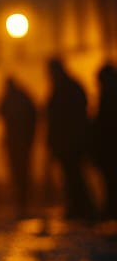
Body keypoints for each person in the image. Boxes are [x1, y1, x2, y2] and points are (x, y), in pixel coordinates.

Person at [47, 59, 95, 219]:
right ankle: (78, 207)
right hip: (67, 142)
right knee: (71, 176)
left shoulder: (67, 88)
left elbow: (67, 117)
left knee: (74, 176)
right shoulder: (66, 87)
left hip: (71, 142)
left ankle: (83, 208)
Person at [0, 77, 37, 217]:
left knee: (21, 174)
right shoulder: (18, 98)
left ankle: (24, 203)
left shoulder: (19, 99)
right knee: (18, 174)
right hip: (16, 143)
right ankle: (21, 203)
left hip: (20, 143)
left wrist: (28, 138)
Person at [94, 64, 117, 219]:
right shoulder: (106, 94)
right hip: (106, 145)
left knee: (111, 178)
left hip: (110, 145)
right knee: (109, 179)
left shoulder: (109, 95)